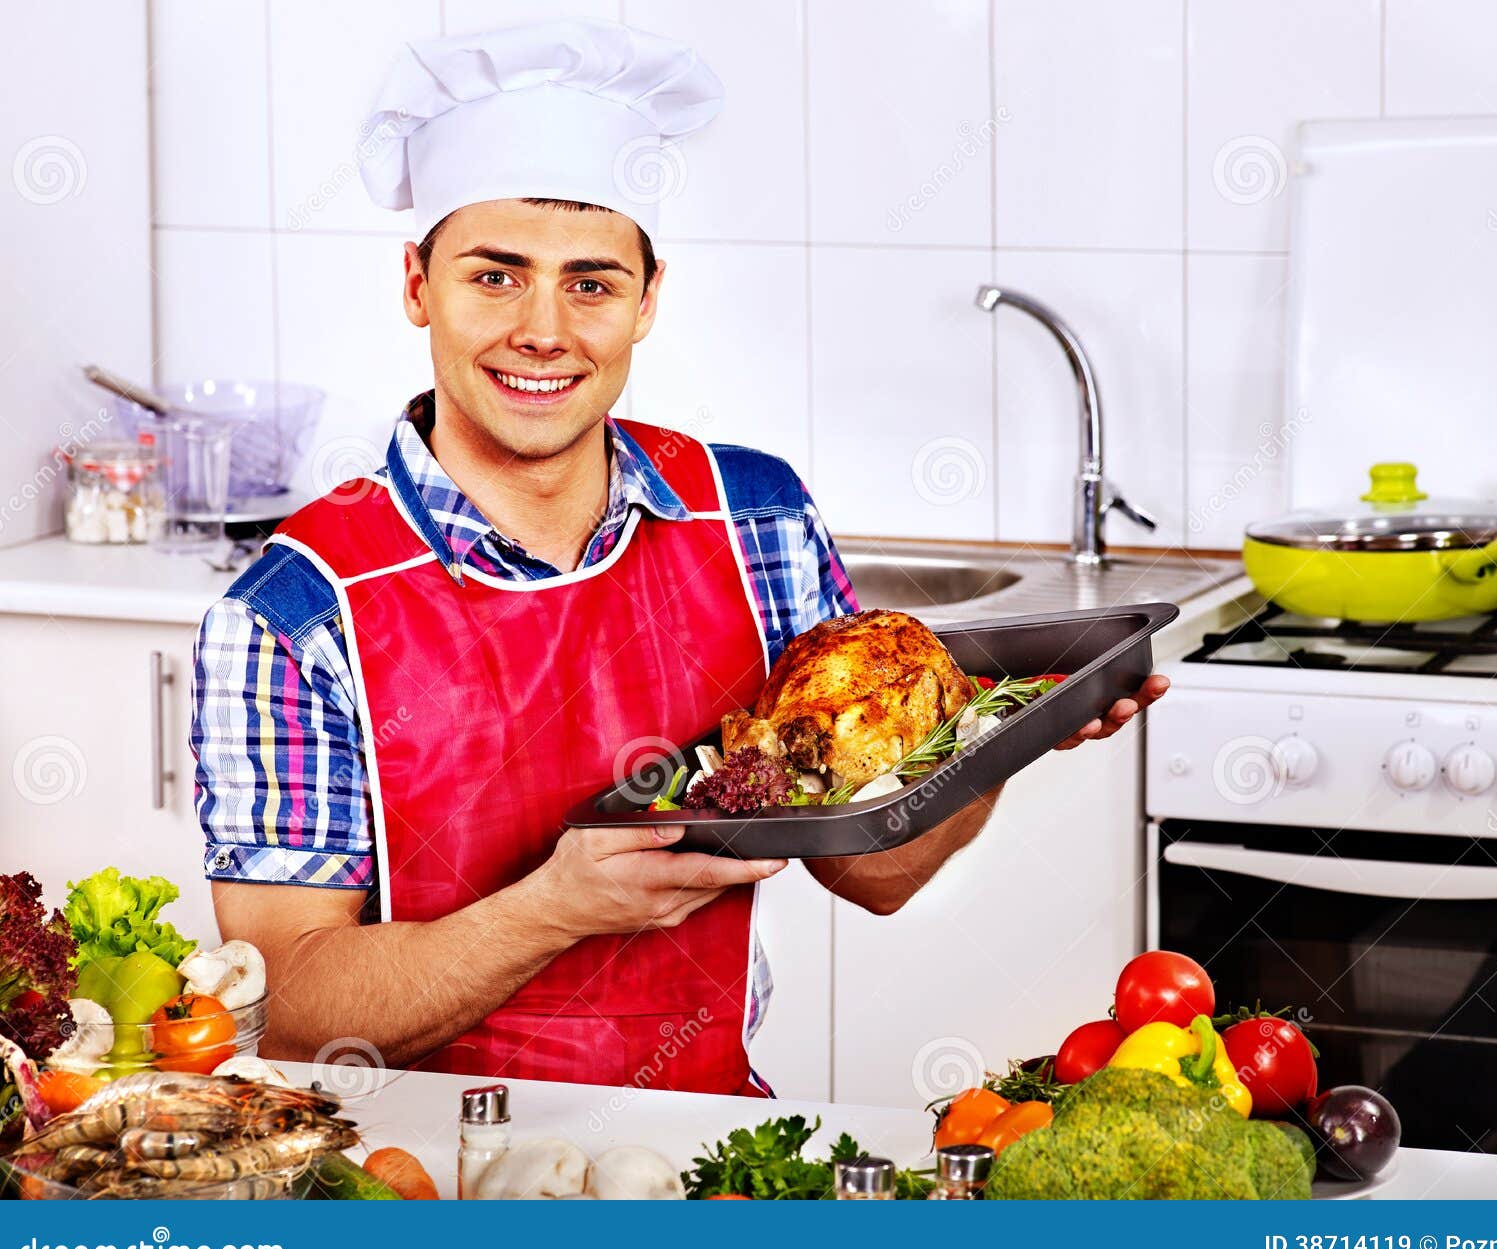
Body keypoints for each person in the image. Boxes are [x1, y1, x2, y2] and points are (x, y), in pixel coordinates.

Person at [189, 19, 1167, 1095]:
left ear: (648, 300)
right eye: (496, 277)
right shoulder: (294, 608)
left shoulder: (752, 517)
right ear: (419, 284)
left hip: (707, 1147)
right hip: (409, 1168)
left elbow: (871, 868)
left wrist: (997, 734)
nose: (545, 330)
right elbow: (290, 1007)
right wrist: (552, 909)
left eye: (592, 284)